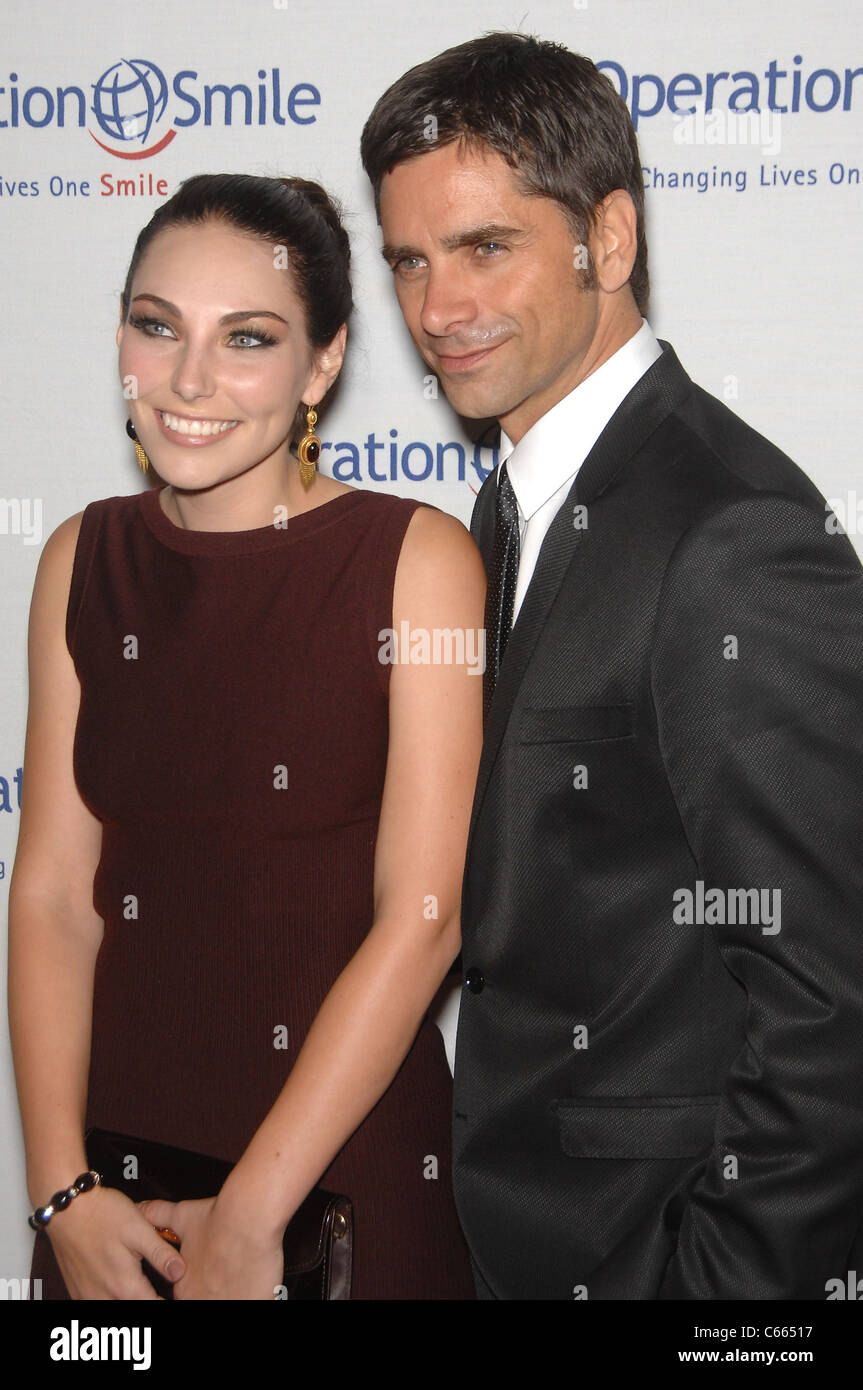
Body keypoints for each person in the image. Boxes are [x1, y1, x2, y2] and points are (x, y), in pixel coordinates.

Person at [361, 33, 863, 1299]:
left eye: (484, 248)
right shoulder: (506, 512)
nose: (437, 310)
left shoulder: (729, 534)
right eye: (408, 262)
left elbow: (831, 995)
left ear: (611, 240)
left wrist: (719, 1299)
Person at [8, 172, 483, 1300]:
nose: (187, 379)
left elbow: (424, 920)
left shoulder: (416, 563)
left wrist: (251, 1213)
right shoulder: (82, 558)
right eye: (156, 324)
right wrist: (61, 1190)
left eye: (248, 338)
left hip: (341, 1189)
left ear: (323, 365)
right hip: (108, 1204)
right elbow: (54, 898)